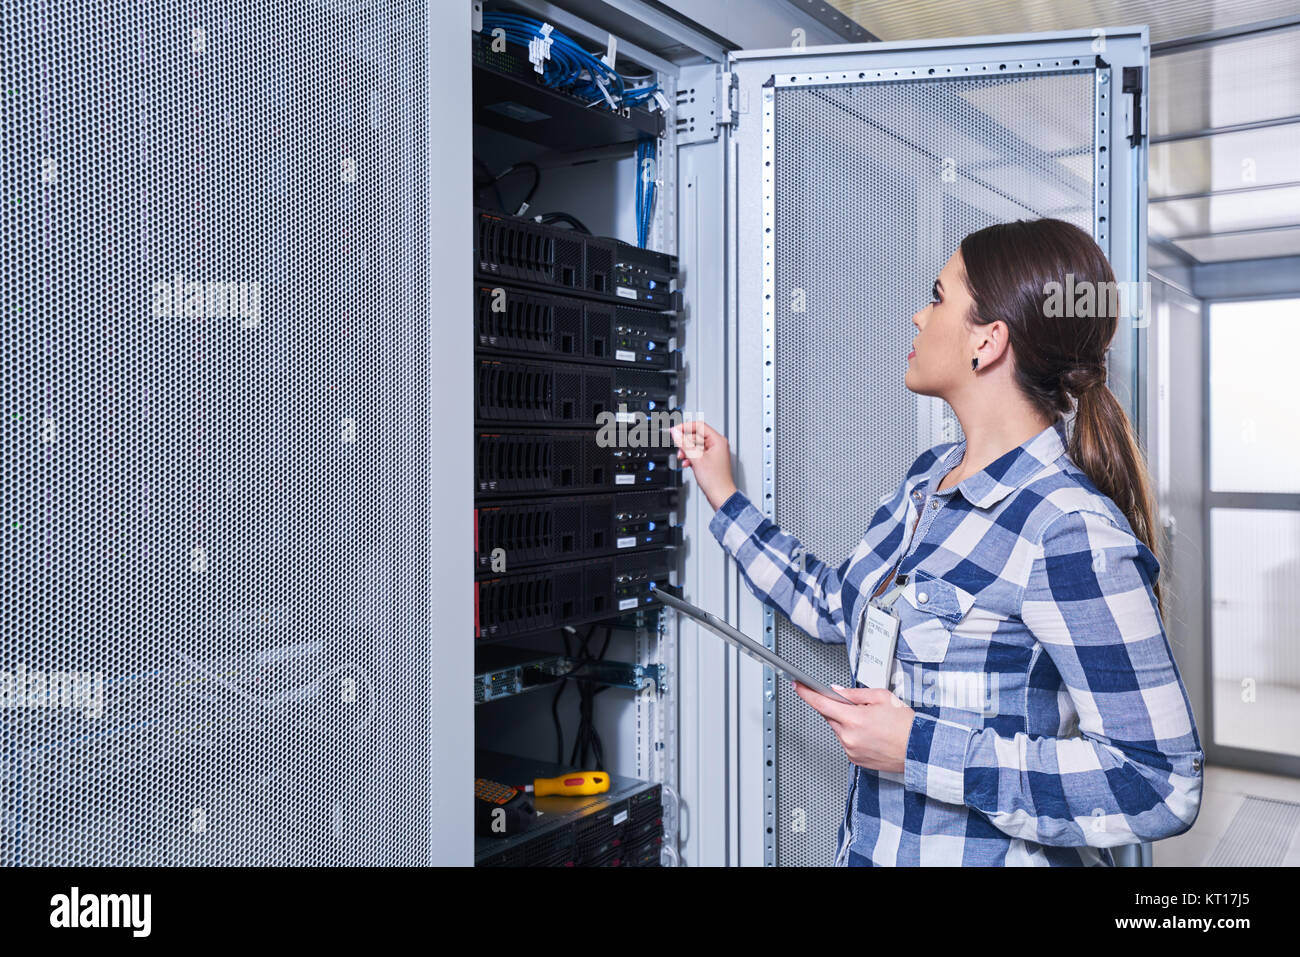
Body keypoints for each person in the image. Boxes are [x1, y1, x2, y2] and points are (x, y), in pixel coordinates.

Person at [668, 218, 1204, 866]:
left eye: (938, 296)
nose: (919, 317)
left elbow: (1158, 782)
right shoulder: (928, 480)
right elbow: (833, 604)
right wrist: (724, 495)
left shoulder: (1067, 530)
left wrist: (916, 748)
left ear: (988, 341)